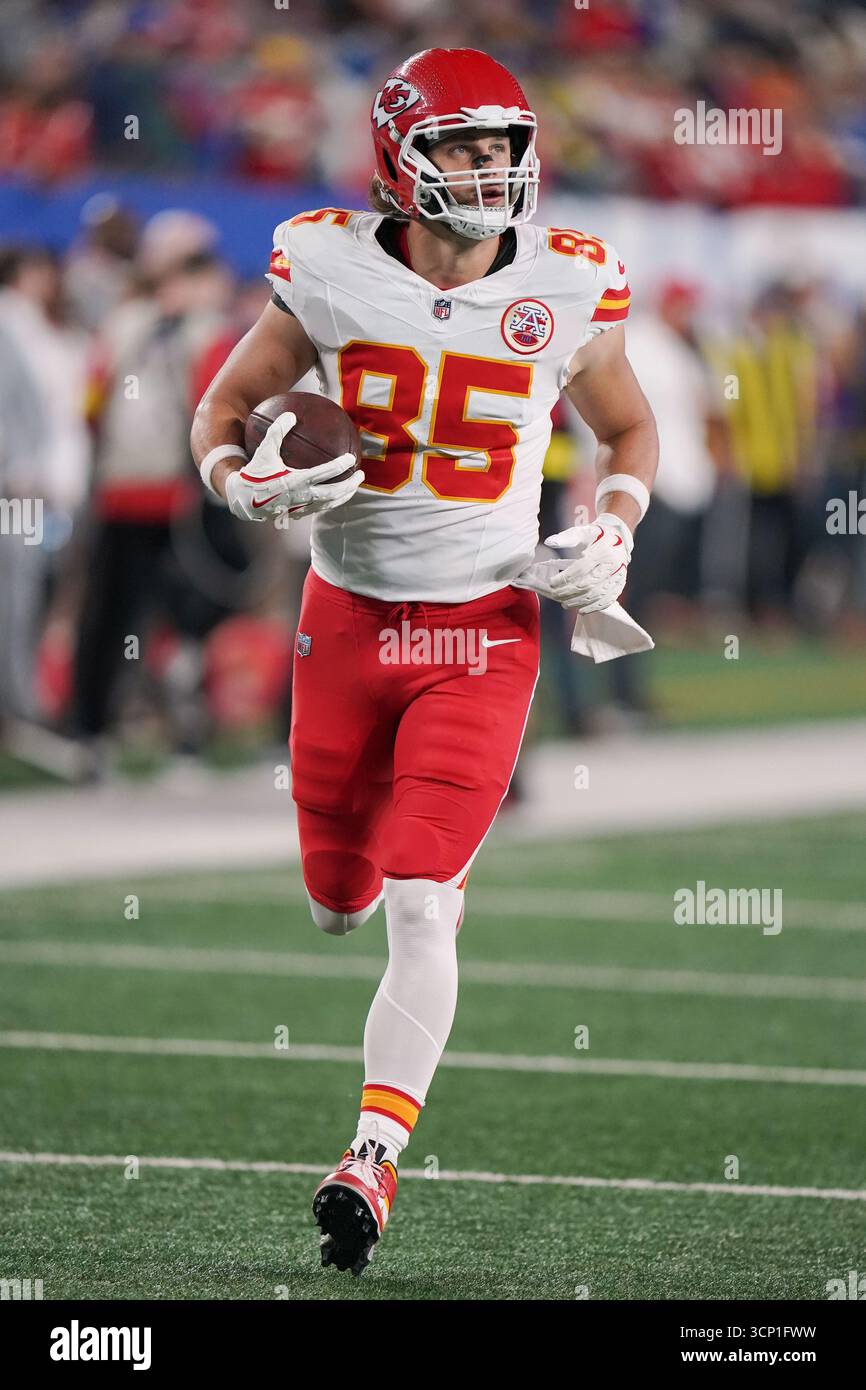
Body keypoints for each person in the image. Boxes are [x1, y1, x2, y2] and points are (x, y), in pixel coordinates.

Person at [191, 47, 658, 1276]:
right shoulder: (325, 260)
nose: (491, 166)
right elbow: (223, 408)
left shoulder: (569, 281)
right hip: (345, 620)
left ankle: (371, 1156)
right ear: (401, 155)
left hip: (485, 631)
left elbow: (626, 423)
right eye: (463, 144)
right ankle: (386, 879)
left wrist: (611, 520)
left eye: (503, 143)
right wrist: (243, 481)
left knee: (417, 899)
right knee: (337, 901)